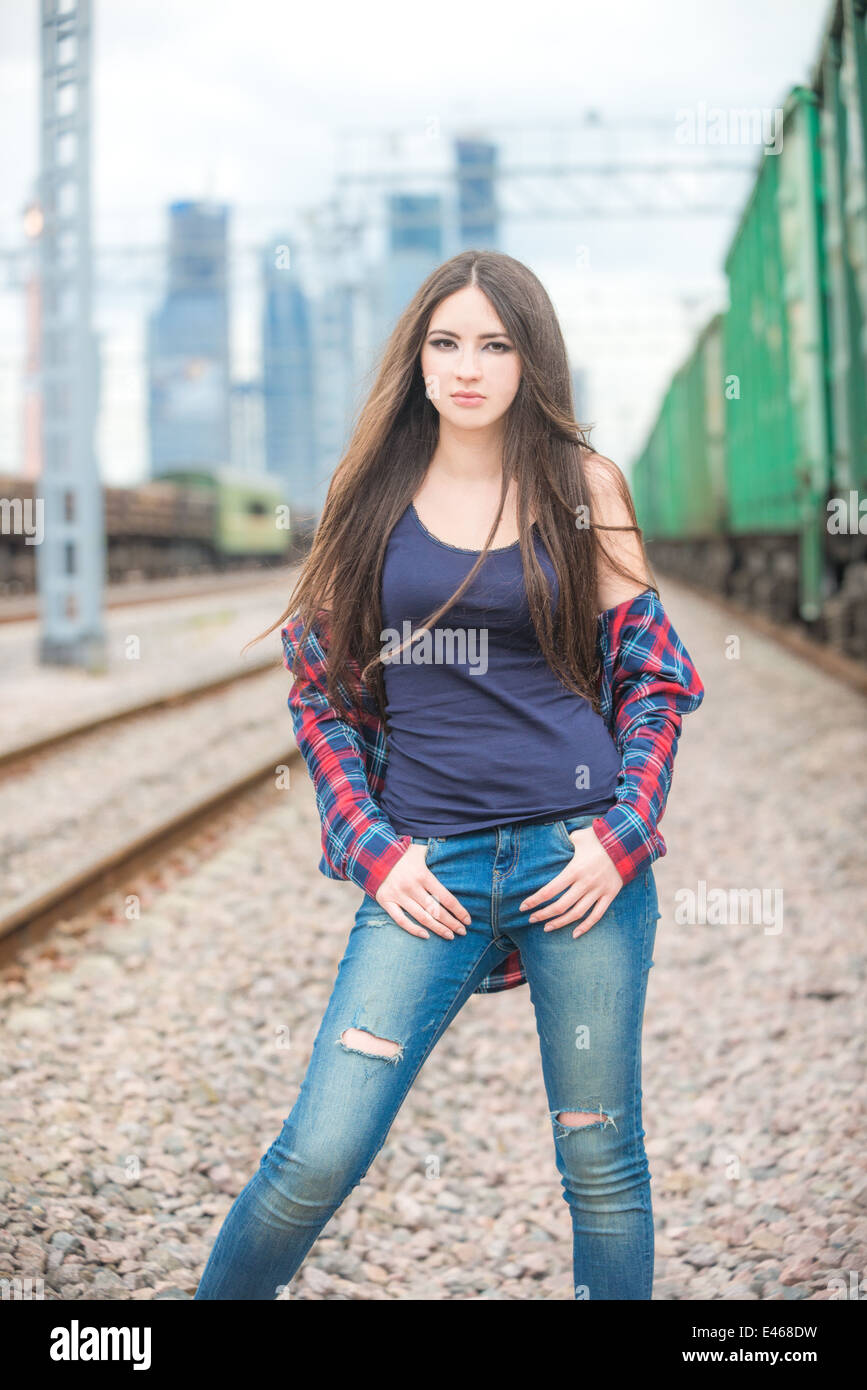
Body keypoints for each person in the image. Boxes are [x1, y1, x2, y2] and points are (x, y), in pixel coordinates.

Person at [194, 249, 705, 1301]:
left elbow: (654, 679)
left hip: (579, 865)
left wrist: (621, 837)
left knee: (603, 1166)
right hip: (428, 872)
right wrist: (375, 854)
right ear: (417, 356)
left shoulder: (583, 485)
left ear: (531, 359)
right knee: (316, 1155)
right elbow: (320, 692)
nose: (467, 367)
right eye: (445, 342)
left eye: (495, 344)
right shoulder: (370, 487)